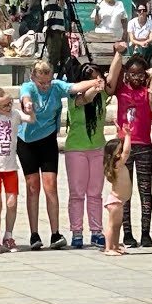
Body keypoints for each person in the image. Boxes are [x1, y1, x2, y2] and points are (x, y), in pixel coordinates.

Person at [17, 60, 102, 250]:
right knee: (33, 187)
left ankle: (55, 233)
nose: (45, 86)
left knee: (51, 186)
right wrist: (28, 105)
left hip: (47, 140)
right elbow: (25, 98)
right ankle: (34, 234)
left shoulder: (56, 87)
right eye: (41, 82)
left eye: (47, 81)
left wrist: (95, 82)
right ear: (33, 78)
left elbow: (76, 87)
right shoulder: (27, 87)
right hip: (27, 142)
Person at [107, 46, 152, 248]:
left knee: (145, 191)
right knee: (123, 192)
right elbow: (111, 80)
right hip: (123, 146)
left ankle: (146, 233)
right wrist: (118, 55)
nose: (136, 77)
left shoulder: (147, 91)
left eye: (140, 74)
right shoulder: (122, 90)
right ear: (127, 74)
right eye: (132, 73)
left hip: (144, 145)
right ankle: (126, 233)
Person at [0, 84, 36, 254]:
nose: (8, 107)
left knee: (12, 203)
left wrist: (29, 109)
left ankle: (8, 235)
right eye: (4, 105)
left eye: (9, 103)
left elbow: (31, 119)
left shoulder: (15, 114)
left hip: (10, 166)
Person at [64, 62, 108, 250]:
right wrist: (94, 87)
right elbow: (86, 99)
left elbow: (113, 76)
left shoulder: (102, 95)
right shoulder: (73, 96)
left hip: (97, 147)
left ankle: (97, 231)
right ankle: (77, 232)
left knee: (95, 192)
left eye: (97, 77)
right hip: (76, 148)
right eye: (89, 78)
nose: (95, 81)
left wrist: (117, 54)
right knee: (77, 193)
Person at [102, 136, 132, 256]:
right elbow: (127, 151)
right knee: (112, 225)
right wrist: (129, 135)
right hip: (115, 201)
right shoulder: (117, 165)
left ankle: (115, 245)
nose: (121, 152)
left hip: (120, 201)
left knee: (118, 225)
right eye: (119, 150)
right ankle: (108, 248)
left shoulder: (116, 164)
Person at [39, 0, 71, 74]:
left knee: (66, 58)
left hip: (61, 29)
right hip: (51, 29)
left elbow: (62, 8)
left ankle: (62, 80)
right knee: (53, 58)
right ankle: (47, 80)